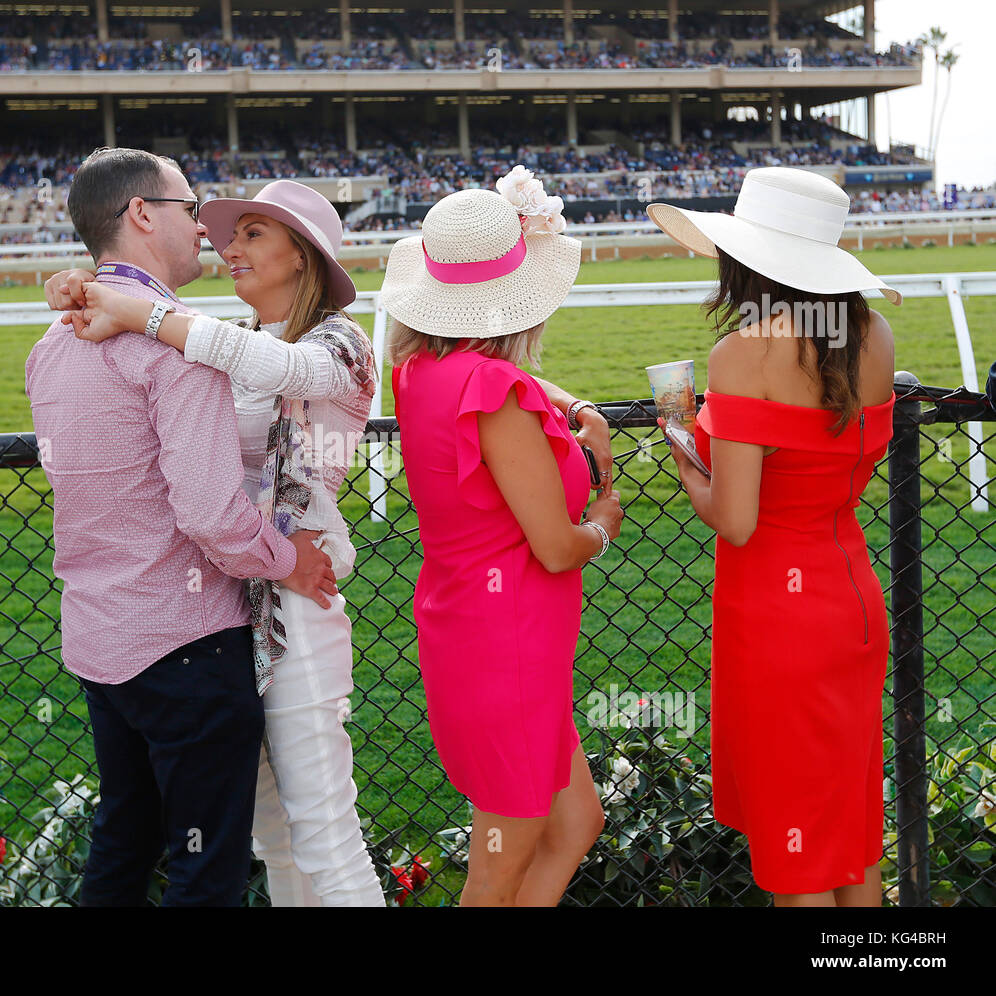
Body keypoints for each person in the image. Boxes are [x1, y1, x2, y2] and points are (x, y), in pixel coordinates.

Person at [44, 179, 386, 906]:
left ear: (304, 256)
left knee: (325, 834)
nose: (228, 247)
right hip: (230, 612)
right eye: (227, 234)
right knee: (276, 843)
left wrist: (145, 311)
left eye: (253, 234)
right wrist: (92, 286)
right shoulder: (241, 343)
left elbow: (287, 373)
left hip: (297, 605)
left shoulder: (343, 341)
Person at [646, 165, 902, 906]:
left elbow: (738, 518)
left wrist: (689, 463)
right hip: (849, 595)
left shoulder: (742, 354)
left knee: (794, 853)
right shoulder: (873, 332)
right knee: (850, 833)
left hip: (778, 613)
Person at [380, 177, 624, 906]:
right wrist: (604, 526)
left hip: (481, 634)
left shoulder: (422, 371)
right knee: (492, 875)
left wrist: (578, 407)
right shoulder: (498, 392)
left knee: (577, 821)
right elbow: (555, 546)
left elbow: (502, 383)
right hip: (510, 646)